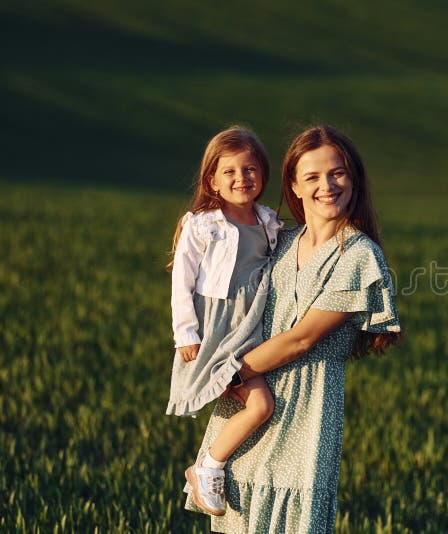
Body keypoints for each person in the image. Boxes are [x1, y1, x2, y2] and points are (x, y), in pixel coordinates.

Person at [184, 125, 402, 532]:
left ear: (353, 178)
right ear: (294, 187)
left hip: (304, 415)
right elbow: (216, 276)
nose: (327, 185)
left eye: (338, 173)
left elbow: (302, 339)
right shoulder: (278, 241)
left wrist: (228, 371)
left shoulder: (358, 255)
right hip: (247, 410)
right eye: (313, 177)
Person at [166, 126, 283, 517]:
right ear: (212, 179)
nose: (241, 179)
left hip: (250, 326)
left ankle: (208, 466)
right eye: (229, 172)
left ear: (263, 175)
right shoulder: (202, 224)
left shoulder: (269, 222)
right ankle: (208, 467)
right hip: (214, 327)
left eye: (250, 170)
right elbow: (181, 282)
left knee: (260, 404)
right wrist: (185, 333)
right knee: (260, 404)